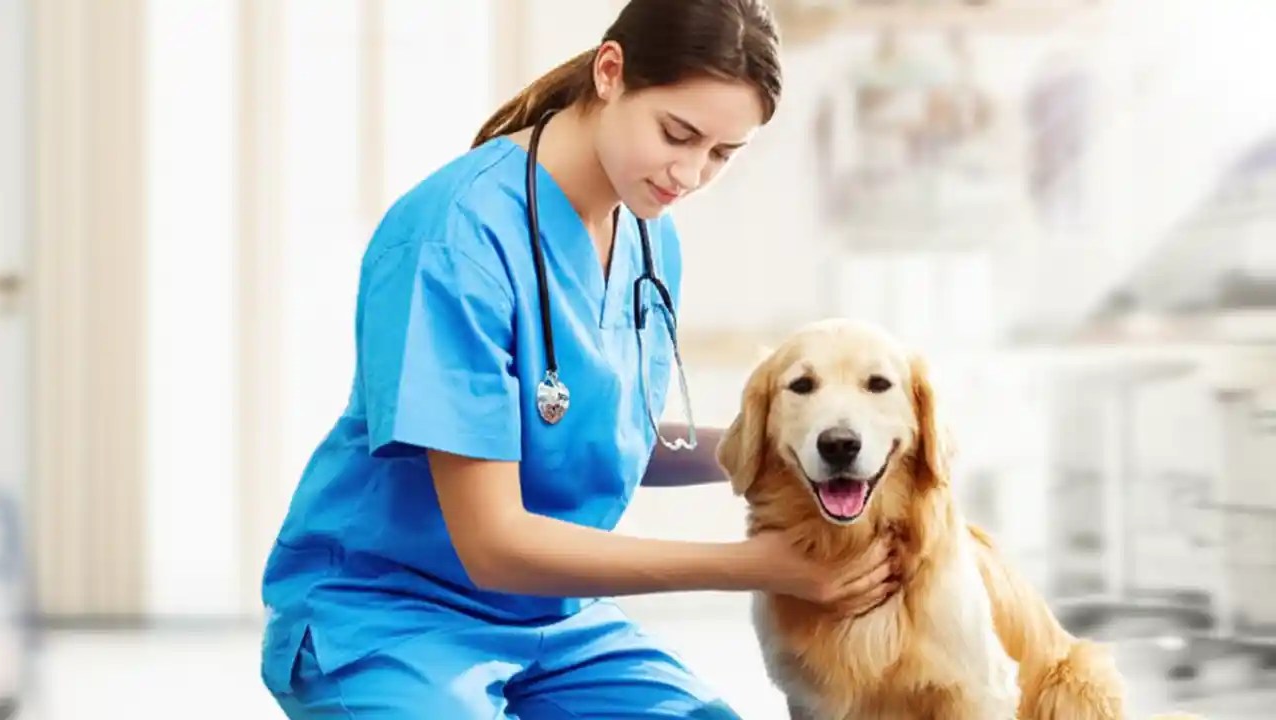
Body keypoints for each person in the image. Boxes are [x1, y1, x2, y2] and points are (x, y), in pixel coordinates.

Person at [259, 1, 897, 717]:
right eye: (677, 134)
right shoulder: (454, 238)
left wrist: (787, 445)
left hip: (554, 622)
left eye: (721, 153)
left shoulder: (649, 234)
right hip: (391, 615)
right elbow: (492, 542)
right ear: (610, 71)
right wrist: (751, 569)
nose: (689, 173)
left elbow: (592, 434)